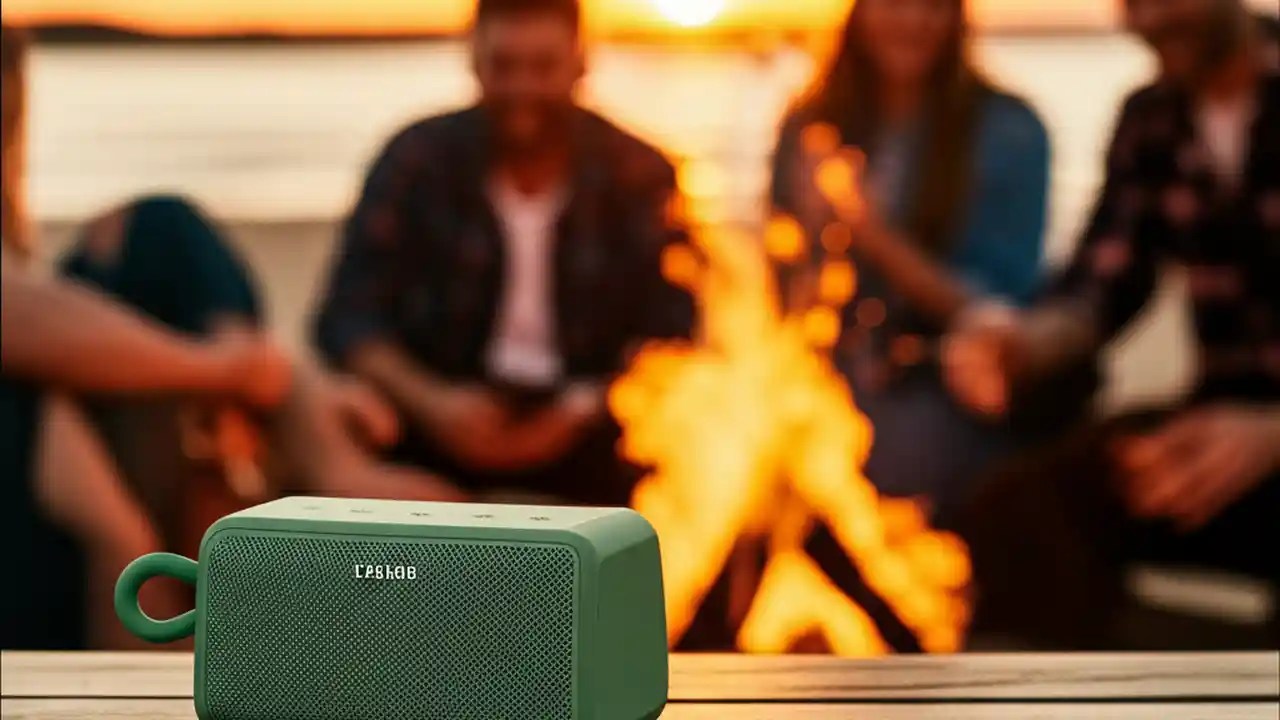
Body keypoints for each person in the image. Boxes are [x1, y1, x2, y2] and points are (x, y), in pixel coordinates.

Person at [944, 0, 1279, 648]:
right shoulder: (1150, 118)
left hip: (1263, 434)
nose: (1145, 21)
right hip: (1212, 434)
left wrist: (1271, 432)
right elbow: (1101, 289)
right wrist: (1021, 343)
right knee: (1017, 510)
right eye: (1131, 3)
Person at [315, 0, 692, 506]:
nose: (522, 89)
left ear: (581, 63)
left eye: (542, 67)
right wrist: (434, 403)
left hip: (596, 430)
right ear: (473, 60)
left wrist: (580, 408)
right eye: (504, 66)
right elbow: (347, 319)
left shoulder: (640, 173)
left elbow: (677, 333)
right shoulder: (415, 161)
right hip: (431, 423)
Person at [771, 0, 1049, 518]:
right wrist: (810, 236)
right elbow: (783, 309)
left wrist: (873, 237)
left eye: (933, 6)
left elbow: (999, 314)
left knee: (892, 457)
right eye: (894, 3)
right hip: (828, 375)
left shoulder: (1009, 129)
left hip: (944, 381)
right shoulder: (809, 123)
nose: (913, 21)